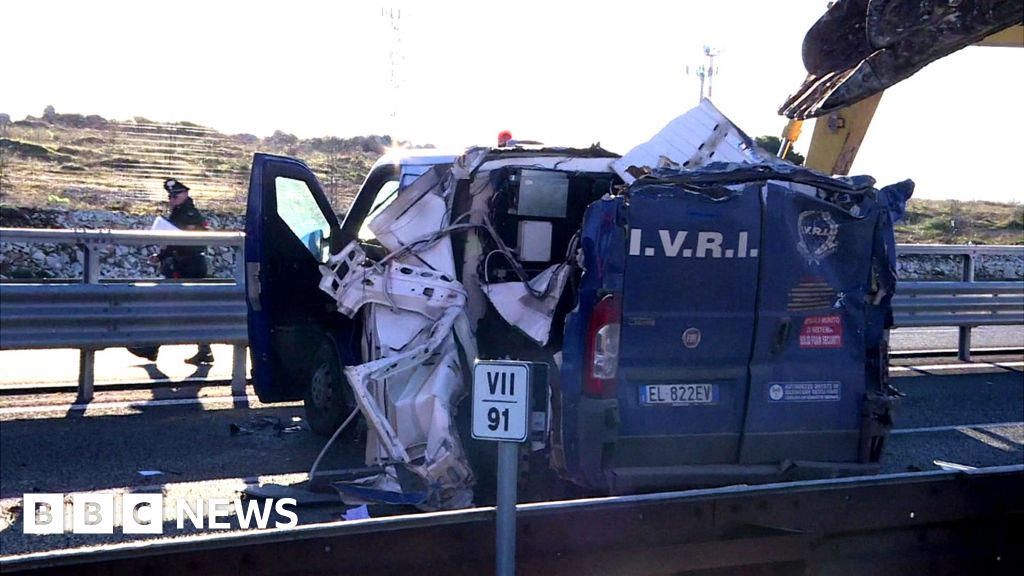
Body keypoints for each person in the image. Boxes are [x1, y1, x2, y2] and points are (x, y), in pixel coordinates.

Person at [128, 178, 214, 365]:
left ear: (185, 195)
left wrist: (163, 252)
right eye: (170, 196)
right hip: (181, 265)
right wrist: (160, 256)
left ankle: (152, 347)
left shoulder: (190, 214)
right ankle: (204, 350)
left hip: (188, 266)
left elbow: (182, 240)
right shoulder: (180, 213)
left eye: (175, 195)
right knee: (186, 308)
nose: (172, 199)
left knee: (166, 305)